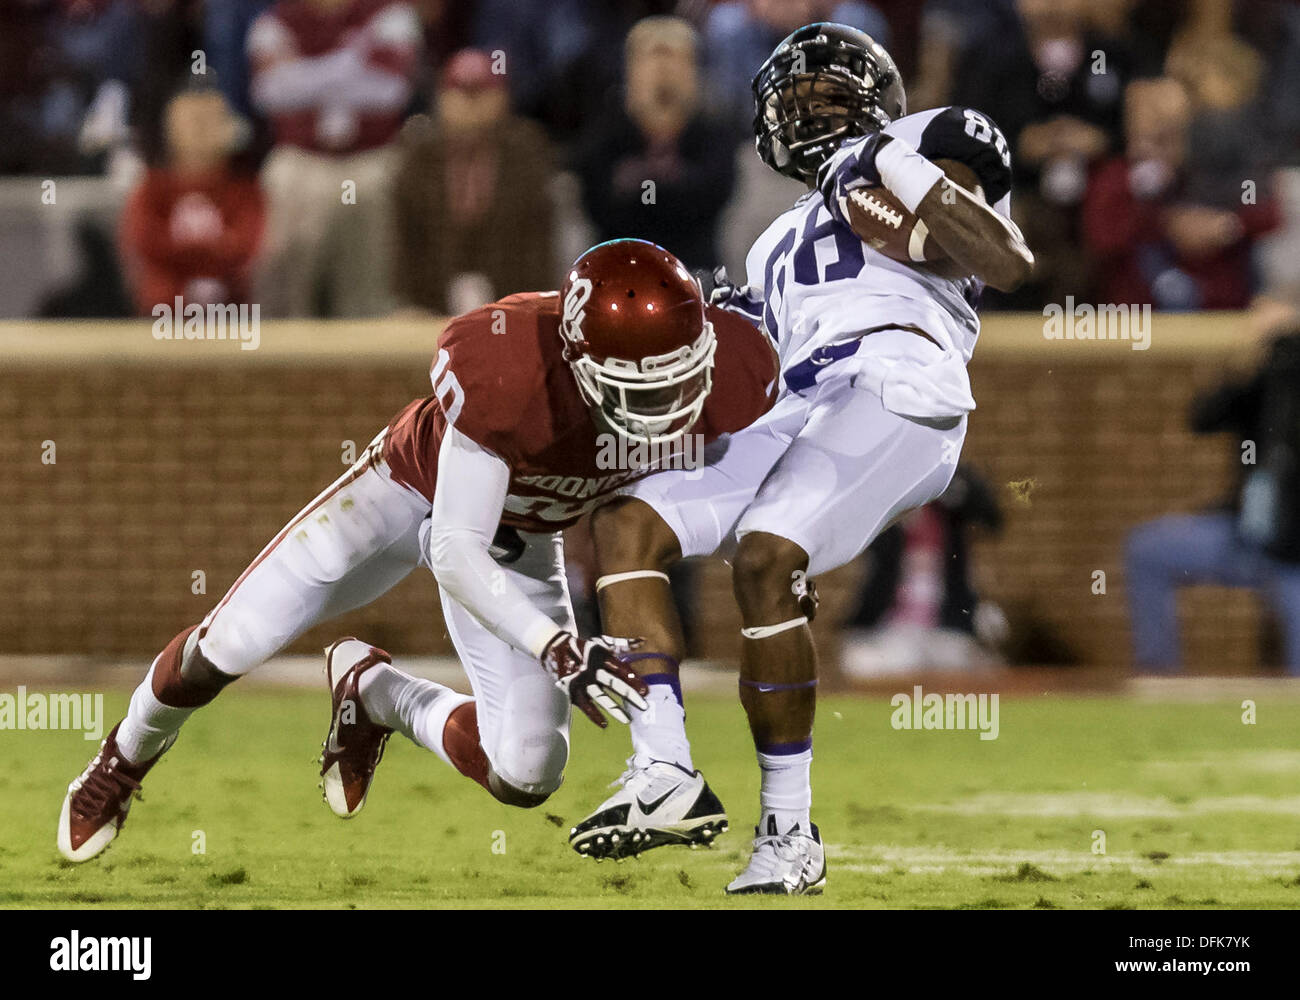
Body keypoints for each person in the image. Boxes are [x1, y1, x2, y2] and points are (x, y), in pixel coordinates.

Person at [56, 239, 778, 863]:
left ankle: (372, 694)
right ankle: (121, 759)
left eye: (678, 380)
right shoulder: (509, 365)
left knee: (526, 774)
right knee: (231, 644)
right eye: (637, 391)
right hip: (408, 498)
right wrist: (557, 646)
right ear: (579, 361)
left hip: (517, 541)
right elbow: (456, 549)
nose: (667, 410)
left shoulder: (736, 369)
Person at [568, 24, 1032, 894]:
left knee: (767, 555)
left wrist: (878, 163)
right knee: (628, 524)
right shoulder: (773, 237)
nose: (803, 109)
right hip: (803, 400)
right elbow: (762, 356)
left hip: (899, 381)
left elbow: (1000, 259)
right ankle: (664, 766)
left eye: (822, 92)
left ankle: (788, 833)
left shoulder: (928, 139)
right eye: (793, 97)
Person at [1126, 327, 1300, 675]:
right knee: (1146, 549)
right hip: (1244, 535)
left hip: (1294, 557)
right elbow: (1203, 417)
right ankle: (1161, 682)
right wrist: (1249, 354)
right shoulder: (1265, 376)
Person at [247, 0, 421, 317]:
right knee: (282, 179)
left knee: (375, 187)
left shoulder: (389, 14)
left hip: (371, 155)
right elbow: (270, 92)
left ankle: (371, 319)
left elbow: (390, 90)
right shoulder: (276, 21)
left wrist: (304, 74)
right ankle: (286, 325)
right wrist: (350, 64)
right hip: (302, 157)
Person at [392, 49, 555, 316]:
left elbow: (538, 247)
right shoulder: (418, 155)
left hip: (512, 303)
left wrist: (528, 306)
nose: (470, 105)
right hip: (428, 307)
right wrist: (411, 305)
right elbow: (403, 245)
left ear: (502, 97)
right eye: (461, 93)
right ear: (441, 97)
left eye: (480, 93)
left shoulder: (527, 152)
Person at [575, 16, 735, 270]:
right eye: (651, 58)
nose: (662, 69)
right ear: (631, 67)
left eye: (674, 57)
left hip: (694, 273)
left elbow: (711, 198)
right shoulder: (606, 133)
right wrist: (671, 181)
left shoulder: (713, 132)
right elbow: (598, 205)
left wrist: (640, 183)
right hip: (619, 269)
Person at [118, 85, 265, 314]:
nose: (200, 129)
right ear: (170, 128)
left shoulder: (245, 191)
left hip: (237, 320)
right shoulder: (151, 190)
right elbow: (144, 244)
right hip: (162, 321)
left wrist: (187, 254)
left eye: (210, 119)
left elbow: (249, 249)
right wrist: (215, 250)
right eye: (192, 120)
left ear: (231, 128)